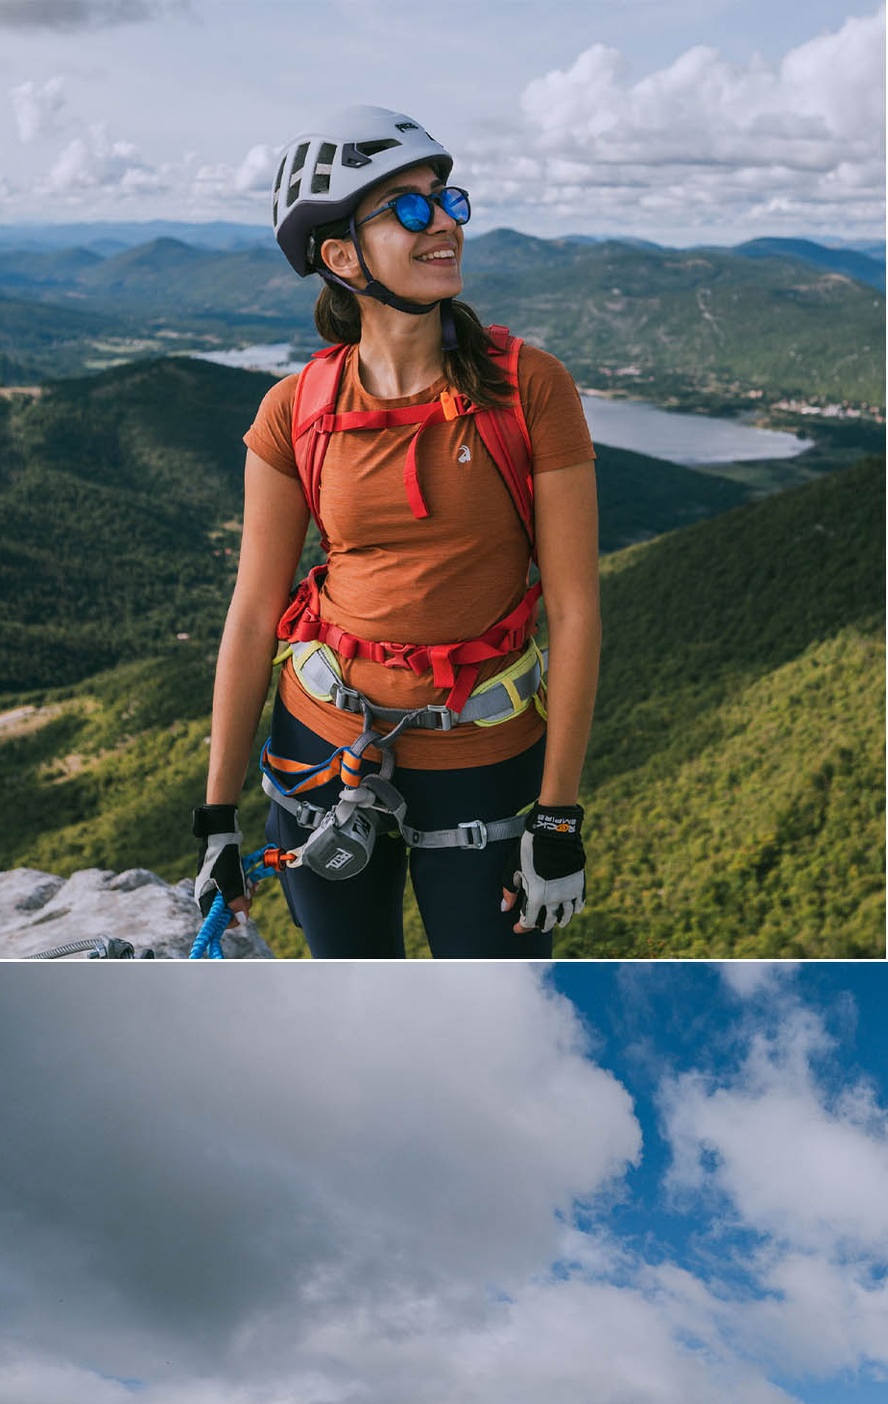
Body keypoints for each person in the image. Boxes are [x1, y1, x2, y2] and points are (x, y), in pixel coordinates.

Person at [194, 105, 601, 957]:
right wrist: (216, 818)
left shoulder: (530, 387)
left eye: (447, 199)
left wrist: (558, 816)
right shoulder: (293, 410)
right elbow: (252, 610)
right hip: (318, 746)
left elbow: (574, 607)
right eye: (409, 209)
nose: (445, 222)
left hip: (483, 760)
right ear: (341, 257)